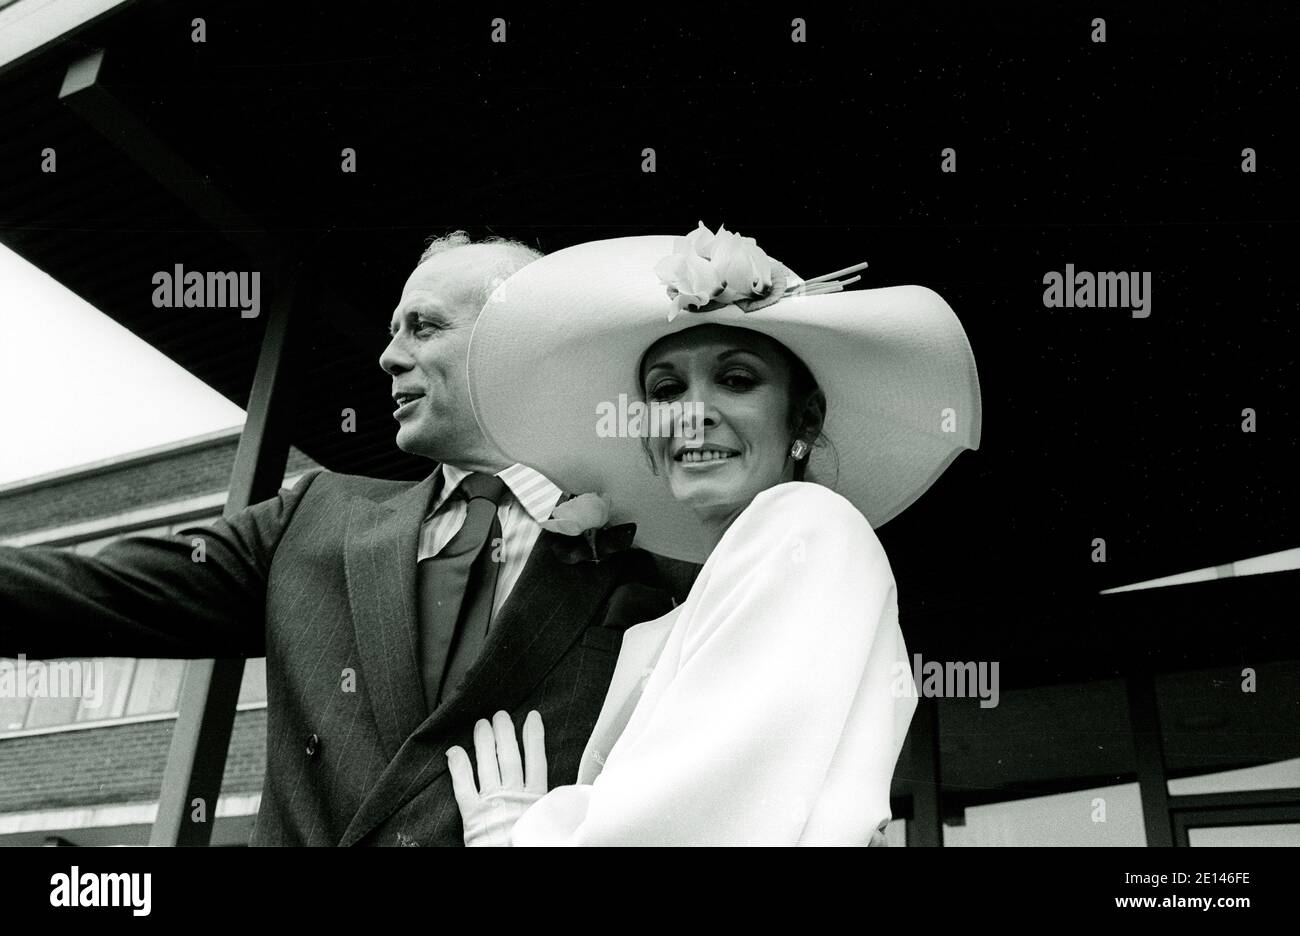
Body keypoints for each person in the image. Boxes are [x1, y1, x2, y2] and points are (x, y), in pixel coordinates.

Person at [0, 232, 692, 846]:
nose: (389, 357)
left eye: (422, 327)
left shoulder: (656, 543)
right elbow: (84, 593)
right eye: (393, 331)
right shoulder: (312, 516)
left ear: (526, 339)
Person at [446, 225, 982, 845]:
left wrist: (517, 835)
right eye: (667, 390)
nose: (692, 412)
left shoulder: (809, 526)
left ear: (802, 419)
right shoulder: (716, 591)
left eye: (736, 379)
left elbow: (686, 825)